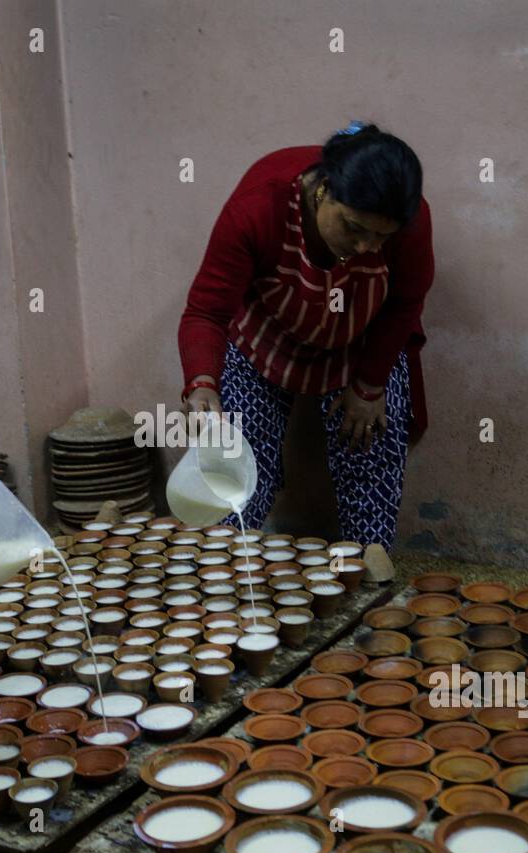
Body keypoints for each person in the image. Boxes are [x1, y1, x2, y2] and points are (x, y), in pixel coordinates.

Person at [177, 122, 434, 544]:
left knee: (367, 443)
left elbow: (406, 302)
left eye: (381, 237)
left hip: (362, 340)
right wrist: (202, 384)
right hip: (269, 336)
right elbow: (206, 310)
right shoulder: (261, 205)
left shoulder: (410, 221)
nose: (368, 247)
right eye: (353, 228)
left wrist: (369, 386)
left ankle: (368, 566)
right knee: (236, 455)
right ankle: (232, 566)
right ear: (324, 190)